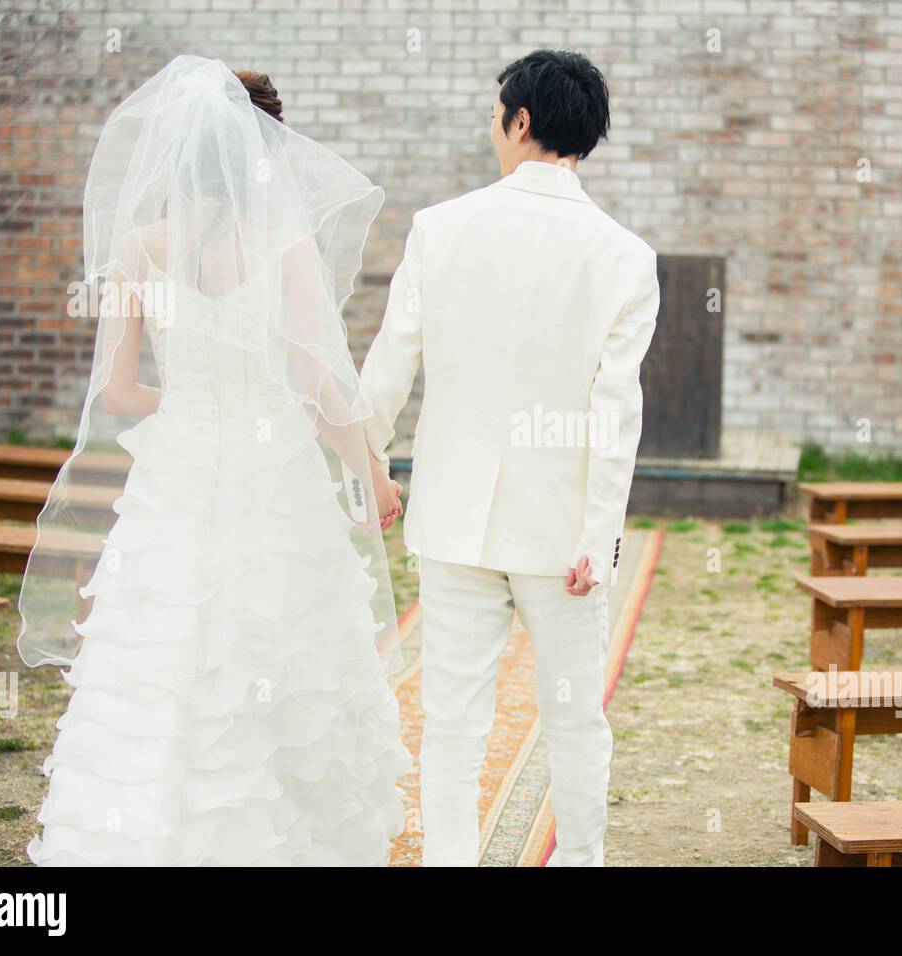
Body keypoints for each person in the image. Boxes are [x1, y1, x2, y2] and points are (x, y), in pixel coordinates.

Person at [18, 56, 410, 866]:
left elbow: (119, 391)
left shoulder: (137, 249)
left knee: (165, 647)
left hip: (178, 474)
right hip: (277, 478)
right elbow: (317, 390)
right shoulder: (288, 247)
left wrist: (198, 408)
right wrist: (370, 470)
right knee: (278, 642)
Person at [360, 49, 659, 867]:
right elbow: (616, 413)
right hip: (562, 533)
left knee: (454, 717)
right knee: (573, 715)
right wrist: (598, 538)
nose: (493, 129)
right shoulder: (626, 257)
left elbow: (390, 365)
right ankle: (581, 861)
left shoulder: (440, 228)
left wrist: (370, 468)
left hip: (453, 518)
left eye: (497, 116)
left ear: (520, 121)